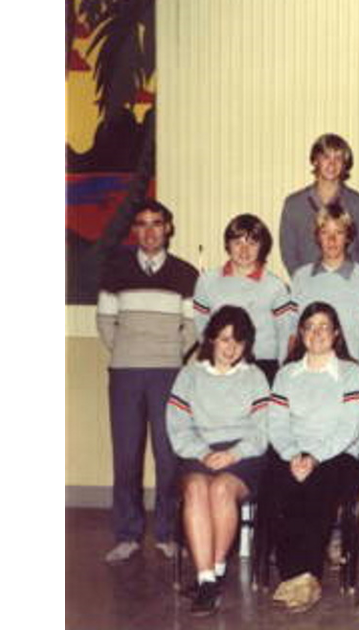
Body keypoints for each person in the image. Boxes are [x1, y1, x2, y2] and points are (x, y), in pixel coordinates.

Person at [97, 200, 199, 563]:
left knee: (168, 457)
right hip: (125, 373)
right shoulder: (115, 270)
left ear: (168, 228)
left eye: (157, 223)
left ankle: (167, 533)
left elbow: (193, 326)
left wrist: (169, 354)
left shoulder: (185, 273)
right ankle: (127, 534)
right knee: (126, 457)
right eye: (142, 224)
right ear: (134, 231)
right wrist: (128, 352)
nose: (150, 231)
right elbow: (105, 322)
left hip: (168, 373)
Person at [264, 302, 359, 613]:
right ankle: (293, 575)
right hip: (293, 451)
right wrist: (292, 455)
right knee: (277, 484)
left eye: (324, 327)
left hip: (337, 453)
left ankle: (307, 576)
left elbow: (349, 428)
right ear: (301, 334)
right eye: (310, 327)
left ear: (336, 334)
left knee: (316, 487)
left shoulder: (351, 373)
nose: (317, 333)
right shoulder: (286, 374)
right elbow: (277, 424)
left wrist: (314, 458)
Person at [166, 306, 270, 617]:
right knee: (197, 488)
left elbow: (262, 430)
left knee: (221, 489)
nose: (231, 348)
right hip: (199, 450)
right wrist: (202, 452)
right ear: (211, 339)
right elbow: (178, 427)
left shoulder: (255, 377)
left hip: (243, 454)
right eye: (224, 339)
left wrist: (233, 454)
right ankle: (206, 579)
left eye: (238, 341)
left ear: (247, 344)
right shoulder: (189, 375)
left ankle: (215, 570)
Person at [193, 214, 294, 384]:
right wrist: (211, 361)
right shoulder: (207, 282)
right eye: (237, 243)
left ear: (262, 247)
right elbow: (201, 329)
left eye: (252, 244)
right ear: (228, 245)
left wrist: (282, 373)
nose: (244, 250)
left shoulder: (276, 286)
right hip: (221, 364)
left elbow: (285, 334)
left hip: (263, 365)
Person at [290, 204, 359, 367]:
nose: (332, 240)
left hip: (355, 370)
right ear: (317, 236)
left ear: (348, 237)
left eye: (339, 232)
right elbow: (292, 332)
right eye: (325, 232)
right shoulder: (301, 278)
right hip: (311, 370)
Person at [279, 133, 359, 272]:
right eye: (326, 157)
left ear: (345, 164)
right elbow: (289, 252)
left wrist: (353, 279)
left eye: (338, 158)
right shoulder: (294, 205)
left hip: (350, 283)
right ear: (315, 161)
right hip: (308, 282)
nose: (332, 164)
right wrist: (304, 280)